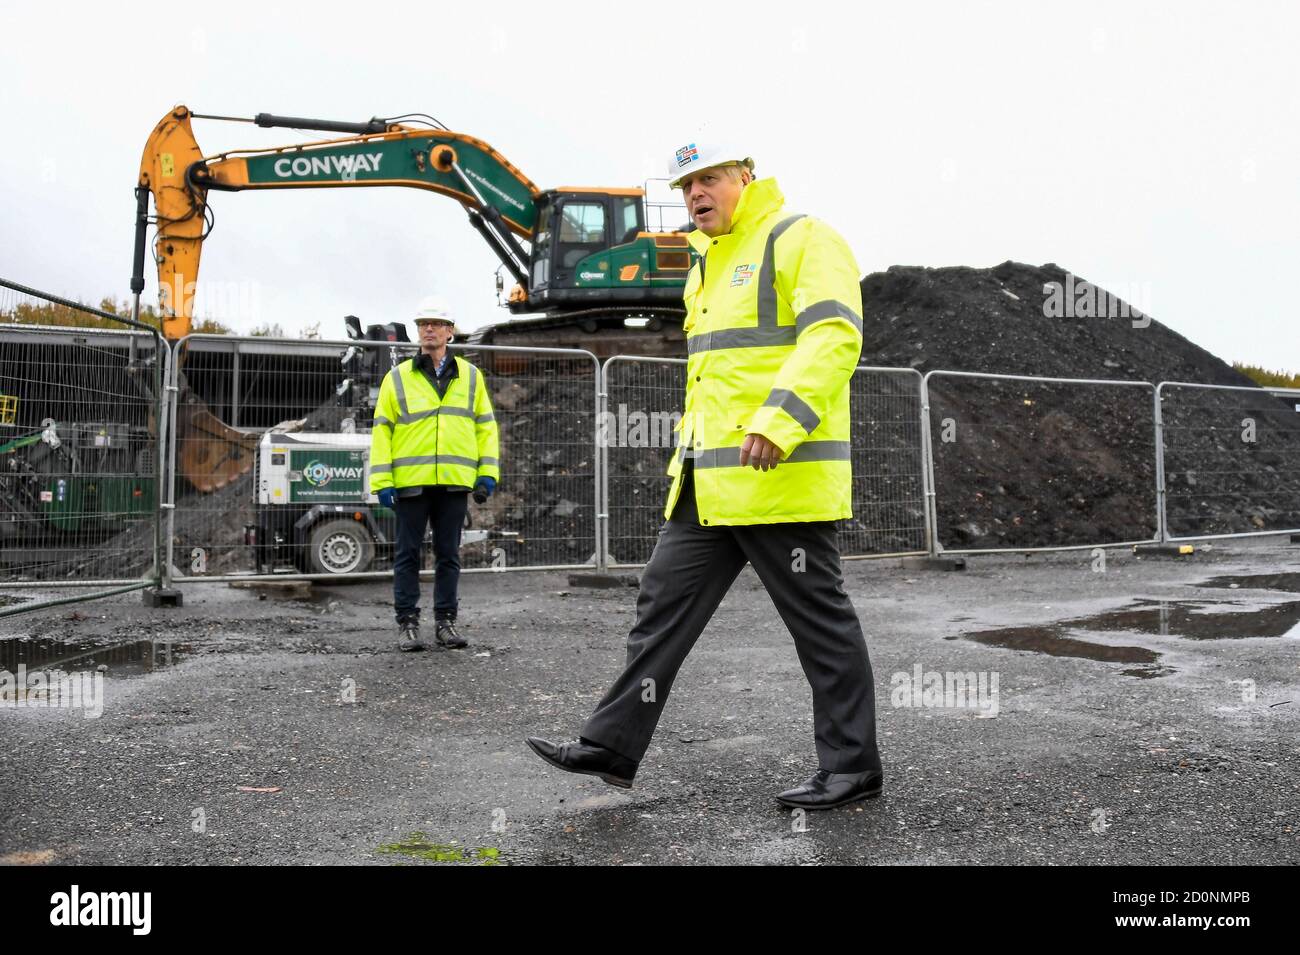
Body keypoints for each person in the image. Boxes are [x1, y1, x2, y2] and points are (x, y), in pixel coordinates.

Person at [525, 140, 884, 810]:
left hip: (779, 480)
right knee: (659, 607)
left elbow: (835, 336)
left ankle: (853, 766)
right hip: (708, 483)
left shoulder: (801, 237)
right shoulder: (702, 265)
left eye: (709, 180)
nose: (695, 195)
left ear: (746, 177)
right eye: (687, 185)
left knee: (820, 625)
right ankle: (611, 743)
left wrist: (780, 422)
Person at [369, 296, 500, 652]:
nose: (428, 328)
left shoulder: (471, 377)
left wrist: (487, 474)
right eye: (422, 323)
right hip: (411, 482)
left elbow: (485, 428)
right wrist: (382, 481)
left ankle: (445, 622)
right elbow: (382, 430)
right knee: (408, 554)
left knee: (448, 554)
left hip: (454, 481)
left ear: (449, 332)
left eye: (436, 323)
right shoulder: (397, 379)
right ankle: (408, 624)